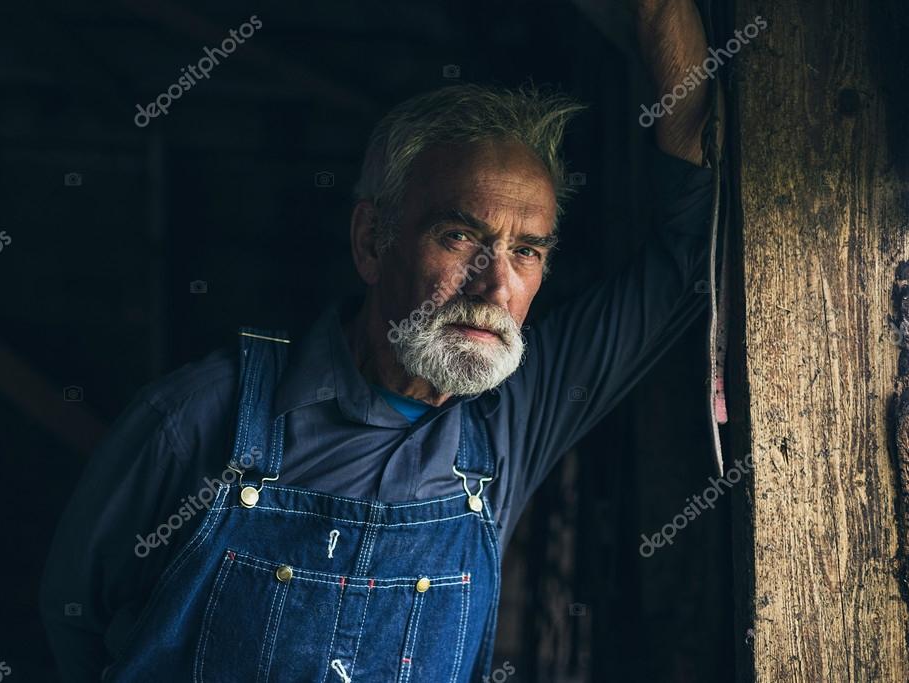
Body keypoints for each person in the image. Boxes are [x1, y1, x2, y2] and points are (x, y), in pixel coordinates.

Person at [40, 2, 720, 680]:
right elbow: (74, 624)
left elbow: (689, 243)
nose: (495, 285)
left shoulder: (513, 417)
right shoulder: (194, 419)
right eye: (460, 237)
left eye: (527, 251)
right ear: (372, 241)